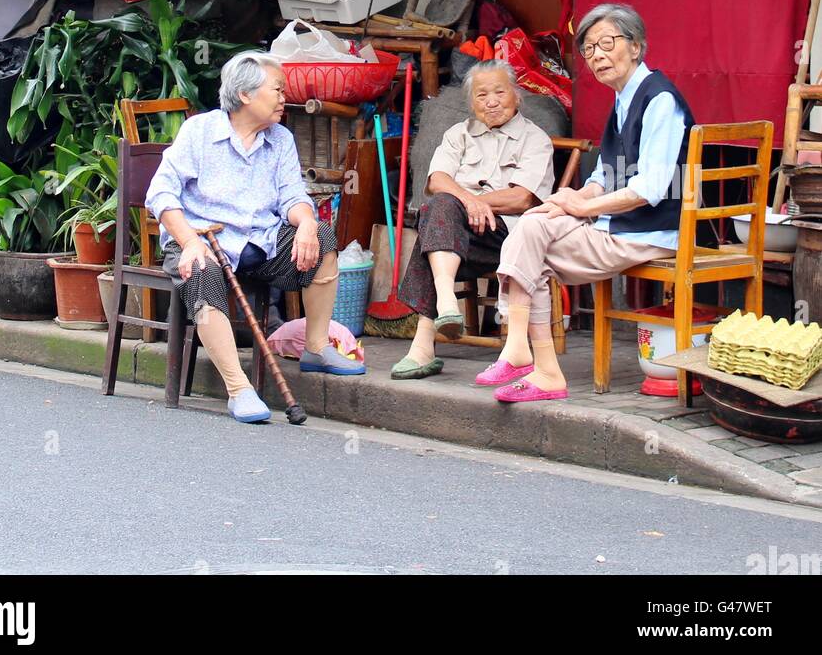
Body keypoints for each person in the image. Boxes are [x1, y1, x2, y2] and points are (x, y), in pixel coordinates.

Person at [146, 51, 365, 425]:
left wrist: (308, 223)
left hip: (258, 242)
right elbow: (161, 194)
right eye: (277, 89)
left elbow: (292, 196)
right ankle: (238, 388)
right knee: (203, 273)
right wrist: (189, 241)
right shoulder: (199, 131)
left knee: (325, 239)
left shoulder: (280, 139)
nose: (284, 98)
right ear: (246, 95)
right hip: (201, 240)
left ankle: (315, 347)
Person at [492, 2, 694, 404]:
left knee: (533, 247)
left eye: (607, 43)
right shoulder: (622, 101)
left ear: (635, 47)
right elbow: (603, 177)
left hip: (651, 232)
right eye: (588, 50)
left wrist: (582, 209)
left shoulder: (659, 101)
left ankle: (538, 365)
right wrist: (570, 199)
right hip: (618, 228)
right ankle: (523, 353)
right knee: (535, 224)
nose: (597, 55)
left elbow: (650, 188)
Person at [391, 61, 555, 380]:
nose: (490, 101)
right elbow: (437, 179)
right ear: (471, 102)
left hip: (508, 238)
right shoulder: (458, 135)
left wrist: (476, 203)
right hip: (457, 235)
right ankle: (447, 303)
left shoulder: (535, 139)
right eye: (481, 95)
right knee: (439, 206)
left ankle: (424, 343)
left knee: (434, 221)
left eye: (498, 92)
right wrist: (468, 202)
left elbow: (522, 197)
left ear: (516, 96)